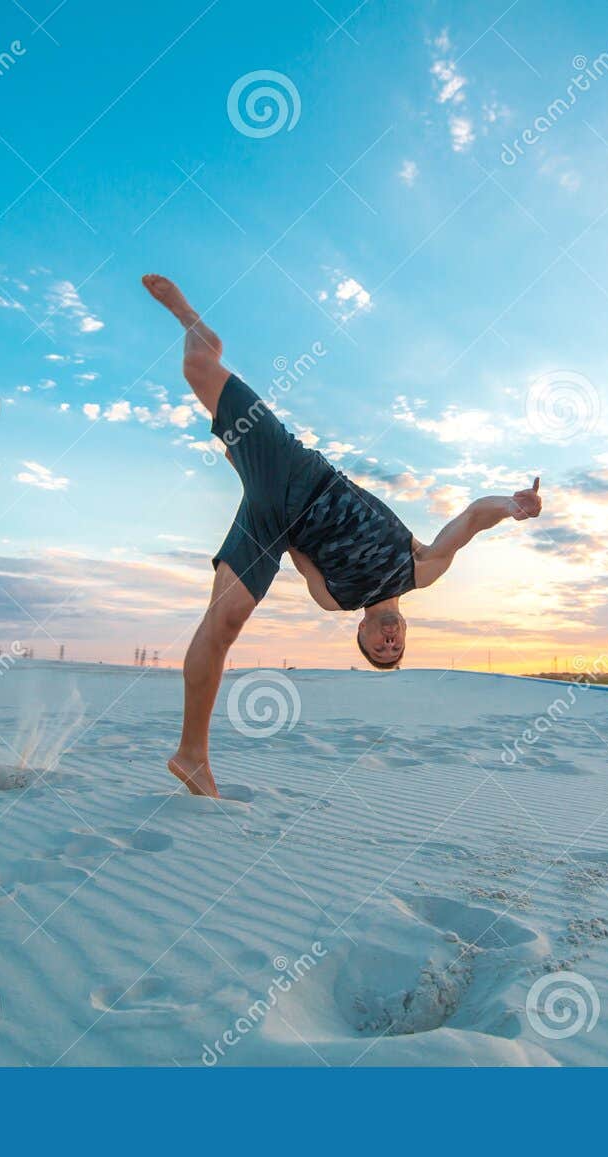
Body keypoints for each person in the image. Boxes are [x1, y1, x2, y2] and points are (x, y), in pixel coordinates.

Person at [142, 274, 544, 797]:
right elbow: (470, 519)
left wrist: (249, 494)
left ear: (358, 635)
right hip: (297, 472)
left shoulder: (332, 599)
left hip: (272, 523)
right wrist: (511, 507)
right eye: (393, 649)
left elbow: (292, 548)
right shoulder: (420, 567)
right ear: (404, 633)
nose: (388, 643)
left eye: (378, 650)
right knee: (199, 366)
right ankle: (193, 321)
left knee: (228, 618)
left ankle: (192, 754)